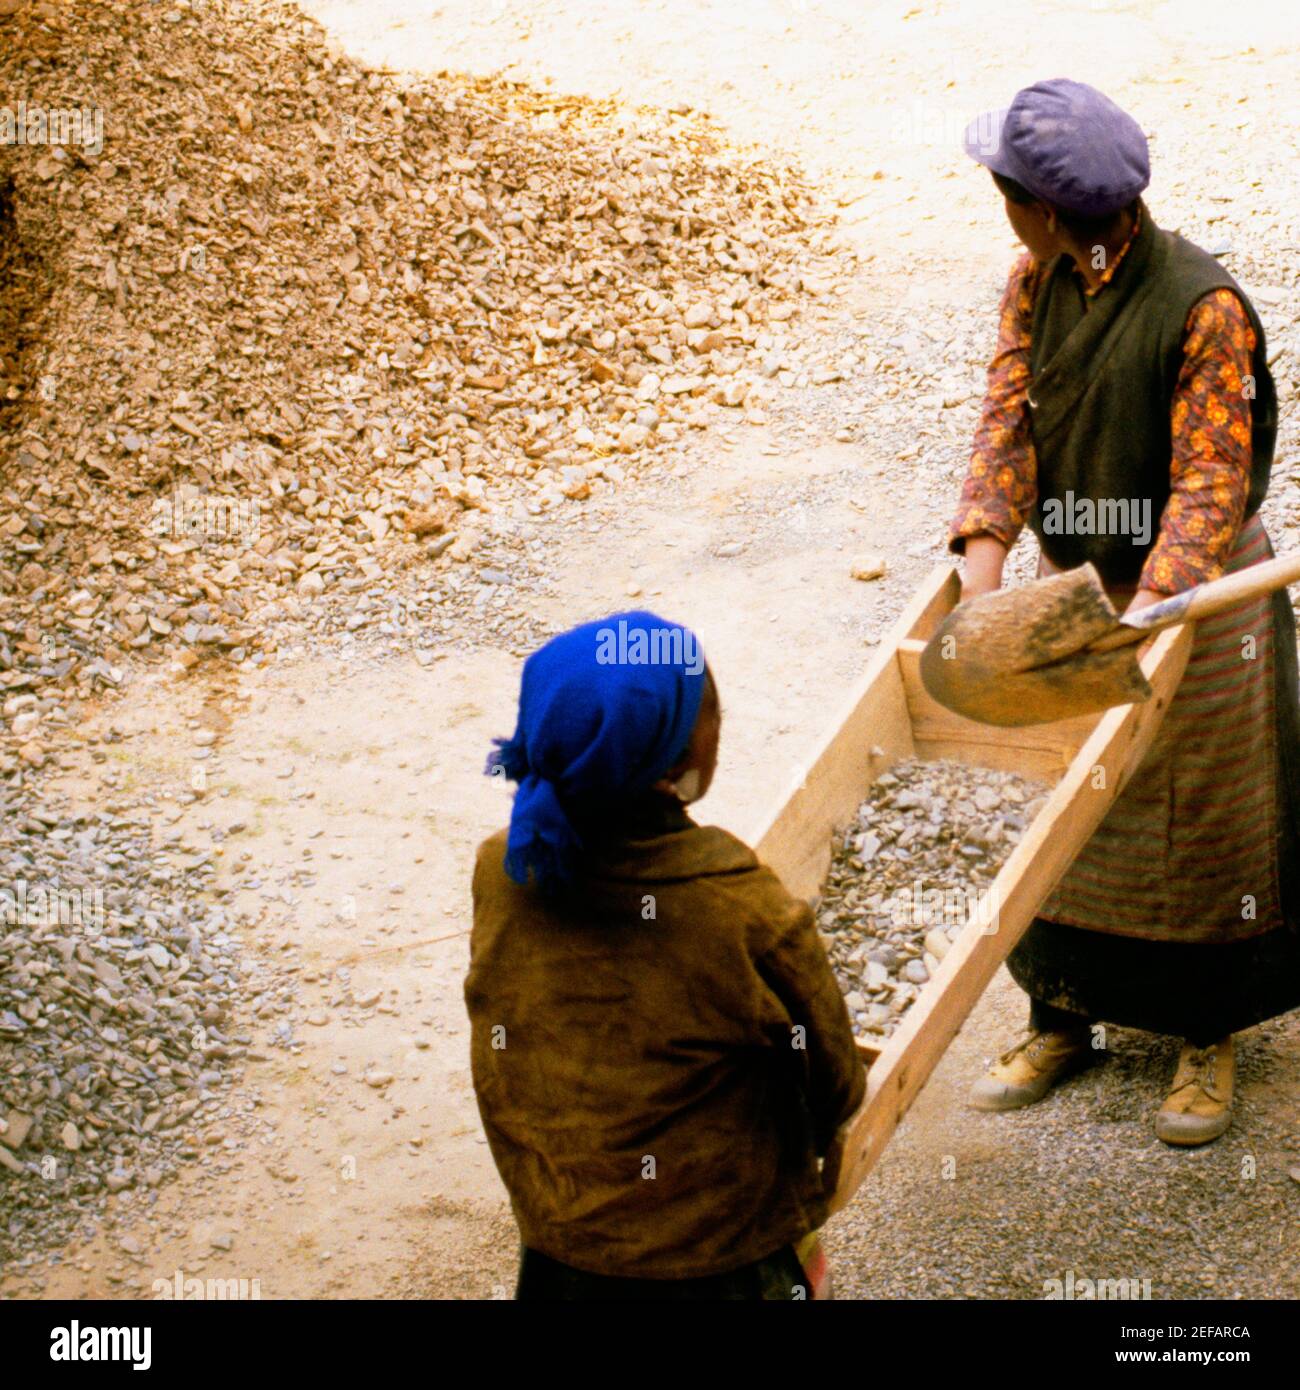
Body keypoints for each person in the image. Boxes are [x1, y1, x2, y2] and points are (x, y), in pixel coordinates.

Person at [950, 78, 1300, 1145]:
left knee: (1202, 830)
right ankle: (1064, 1019)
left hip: (1196, 594)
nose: (998, 205)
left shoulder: (1203, 308)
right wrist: (981, 581)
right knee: (1078, 805)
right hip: (1085, 588)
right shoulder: (1034, 280)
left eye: (1004, 191)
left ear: (1046, 208)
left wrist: (1149, 616)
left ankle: (1205, 1038)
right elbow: (1007, 423)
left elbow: (1207, 484)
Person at [466, 611, 864, 1298]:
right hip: (717, 1256)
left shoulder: (506, 865)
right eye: (713, 716)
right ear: (675, 766)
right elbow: (835, 1081)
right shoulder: (737, 905)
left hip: (561, 1244)